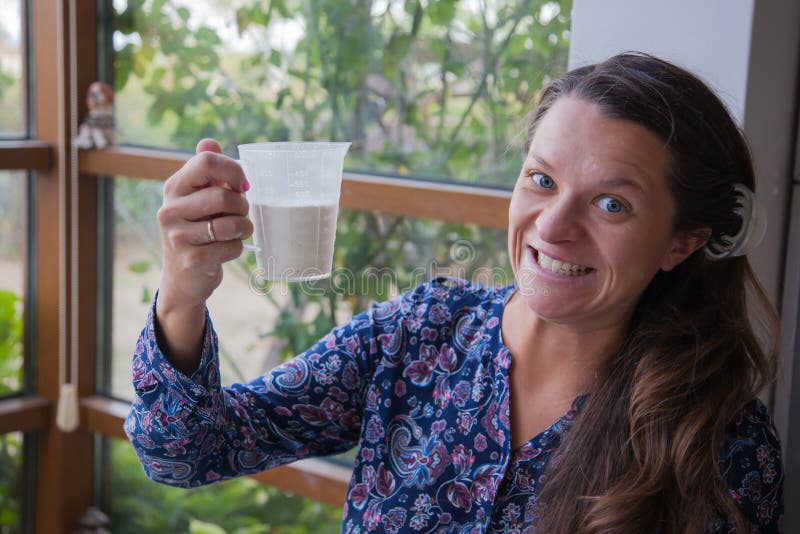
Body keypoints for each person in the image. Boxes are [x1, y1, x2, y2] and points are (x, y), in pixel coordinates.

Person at [125, 52, 784, 533]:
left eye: (612, 203)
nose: (553, 227)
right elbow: (188, 452)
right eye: (542, 180)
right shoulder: (423, 333)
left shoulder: (719, 448)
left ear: (683, 240)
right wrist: (184, 293)